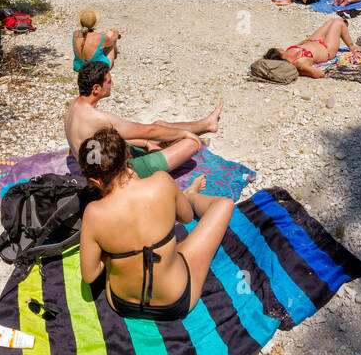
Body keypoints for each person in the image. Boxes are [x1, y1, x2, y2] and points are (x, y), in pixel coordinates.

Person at [77, 126, 234, 321]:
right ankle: (191, 195)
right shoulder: (161, 182)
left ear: (95, 180)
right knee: (224, 205)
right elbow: (185, 217)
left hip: (122, 304)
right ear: (127, 156)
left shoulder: (93, 213)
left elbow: (89, 276)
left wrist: (113, 252)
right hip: (176, 302)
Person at [65, 61, 222, 177]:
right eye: (108, 81)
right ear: (96, 88)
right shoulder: (97, 118)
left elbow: (137, 134)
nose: (112, 84)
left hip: (98, 162)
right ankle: (195, 131)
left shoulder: (74, 106)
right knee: (192, 143)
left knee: (160, 126)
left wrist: (146, 143)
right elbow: (150, 131)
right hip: (113, 176)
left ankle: (206, 124)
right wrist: (184, 134)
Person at [263, 17, 361, 78]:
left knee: (330, 22)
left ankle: (342, 29)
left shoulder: (288, 52)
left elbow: (300, 44)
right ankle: (351, 46)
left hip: (313, 41)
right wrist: (304, 71)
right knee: (338, 22)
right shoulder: (299, 63)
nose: (281, 47)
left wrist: (307, 41)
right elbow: (319, 74)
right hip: (327, 49)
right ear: (280, 54)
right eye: (279, 49)